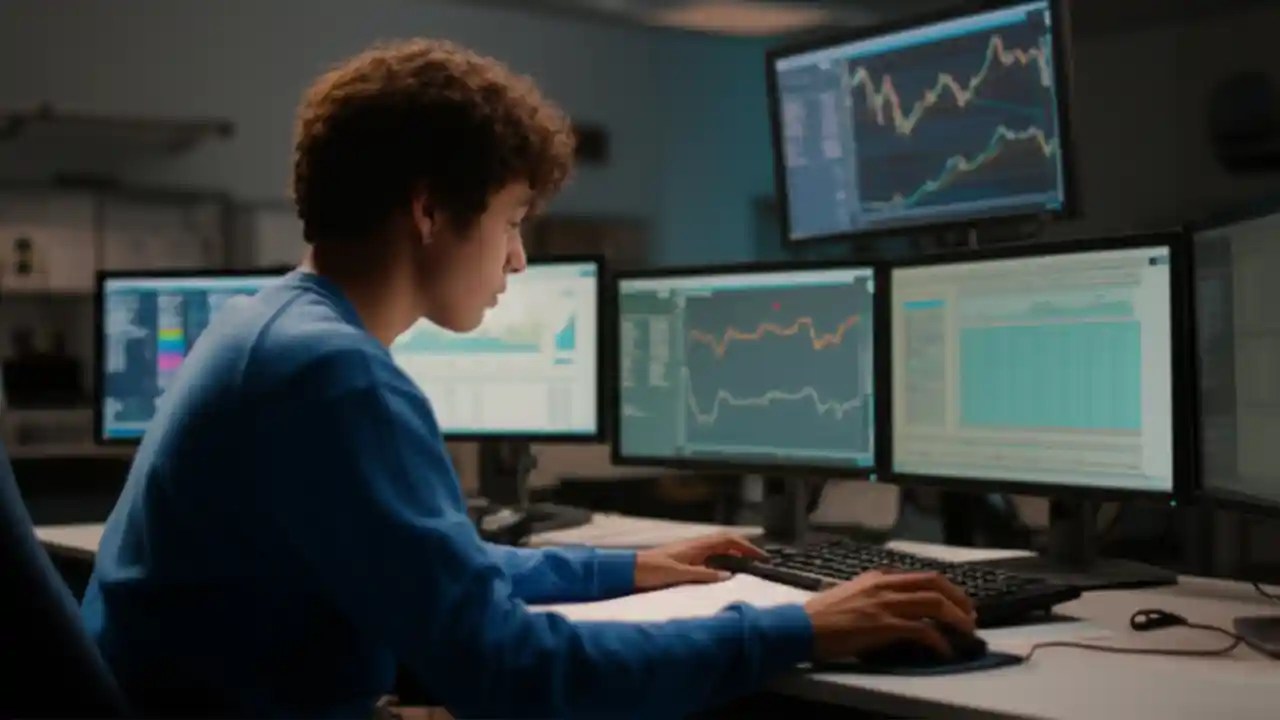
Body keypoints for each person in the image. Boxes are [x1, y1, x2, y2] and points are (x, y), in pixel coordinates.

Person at [80, 39, 975, 719]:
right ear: (429, 210)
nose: (516, 257)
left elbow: (435, 571)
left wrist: (625, 569)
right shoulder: (335, 377)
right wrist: (802, 626)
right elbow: (510, 673)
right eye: (512, 219)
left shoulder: (266, 327)